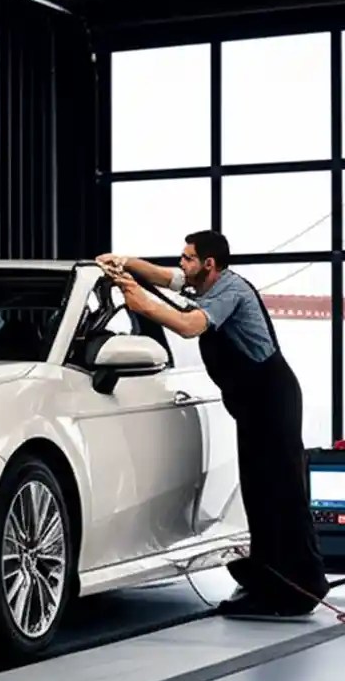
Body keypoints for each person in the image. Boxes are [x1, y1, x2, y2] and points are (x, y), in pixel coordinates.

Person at [97, 231, 330, 616]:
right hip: (252, 403)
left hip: (272, 399)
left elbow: (188, 326)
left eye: (188, 259)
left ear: (209, 264)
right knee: (258, 492)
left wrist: (142, 304)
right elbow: (160, 275)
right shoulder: (203, 281)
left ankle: (297, 591)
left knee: (280, 493)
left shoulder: (230, 292)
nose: (181, 265)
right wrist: (123, 262)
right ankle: (266, 580)